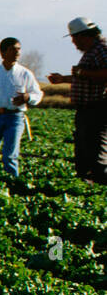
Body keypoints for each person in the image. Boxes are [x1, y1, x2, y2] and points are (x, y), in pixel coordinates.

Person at [47, 17, 107, 184]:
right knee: (84, 157)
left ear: (83, 36)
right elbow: (87, 78)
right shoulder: (93, 51)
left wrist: (82, 73)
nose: (74, 43)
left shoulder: (101, 49)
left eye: (74, 38)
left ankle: (100, 190)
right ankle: (88, 188)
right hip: (87, 111)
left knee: (96, 159)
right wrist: (63, 79)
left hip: (97, 110)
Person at [0, 37, 42, 178]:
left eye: (19, 49)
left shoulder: (25, 74)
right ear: (3, 52)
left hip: (15, 117)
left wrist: (27, 97)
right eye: (13, 49)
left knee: (10, 153)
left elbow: (38, 94)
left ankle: (11, 182)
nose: (17, 53)